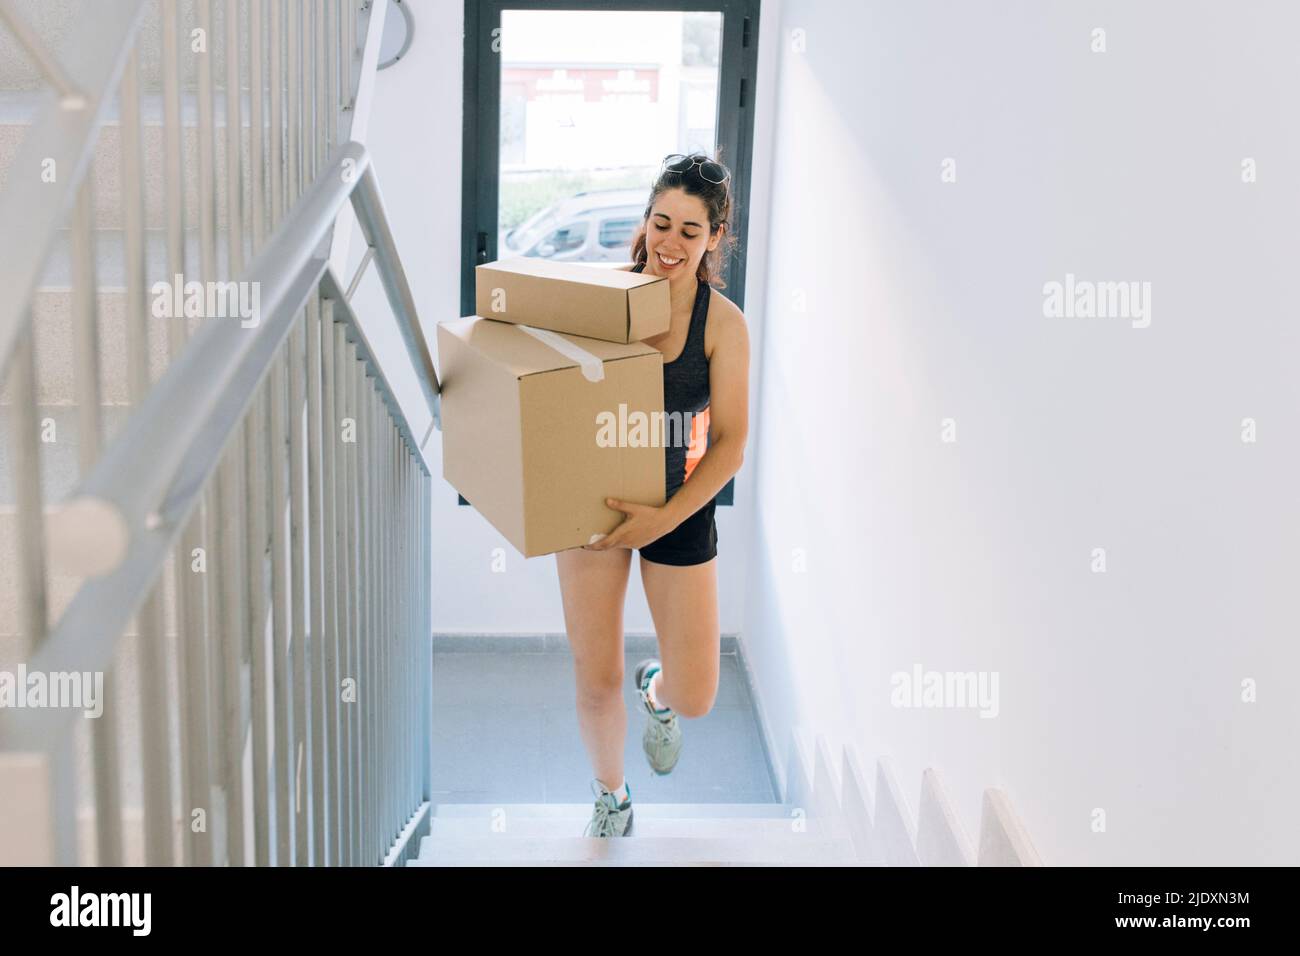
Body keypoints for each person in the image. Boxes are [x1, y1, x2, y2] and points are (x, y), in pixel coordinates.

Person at [554, 152, 751, 838]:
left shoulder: (723, 324)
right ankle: (613, 795)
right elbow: (539, 386)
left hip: (678, 504)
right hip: (593, 503)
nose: (670, 243)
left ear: (714, 238)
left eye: (690, 231)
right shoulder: (602, 298)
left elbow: (729, 442)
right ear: (646, 220)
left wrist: (665, 516)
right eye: (660, 222)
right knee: (595, 675)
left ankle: (656, 694)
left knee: (696, 697)